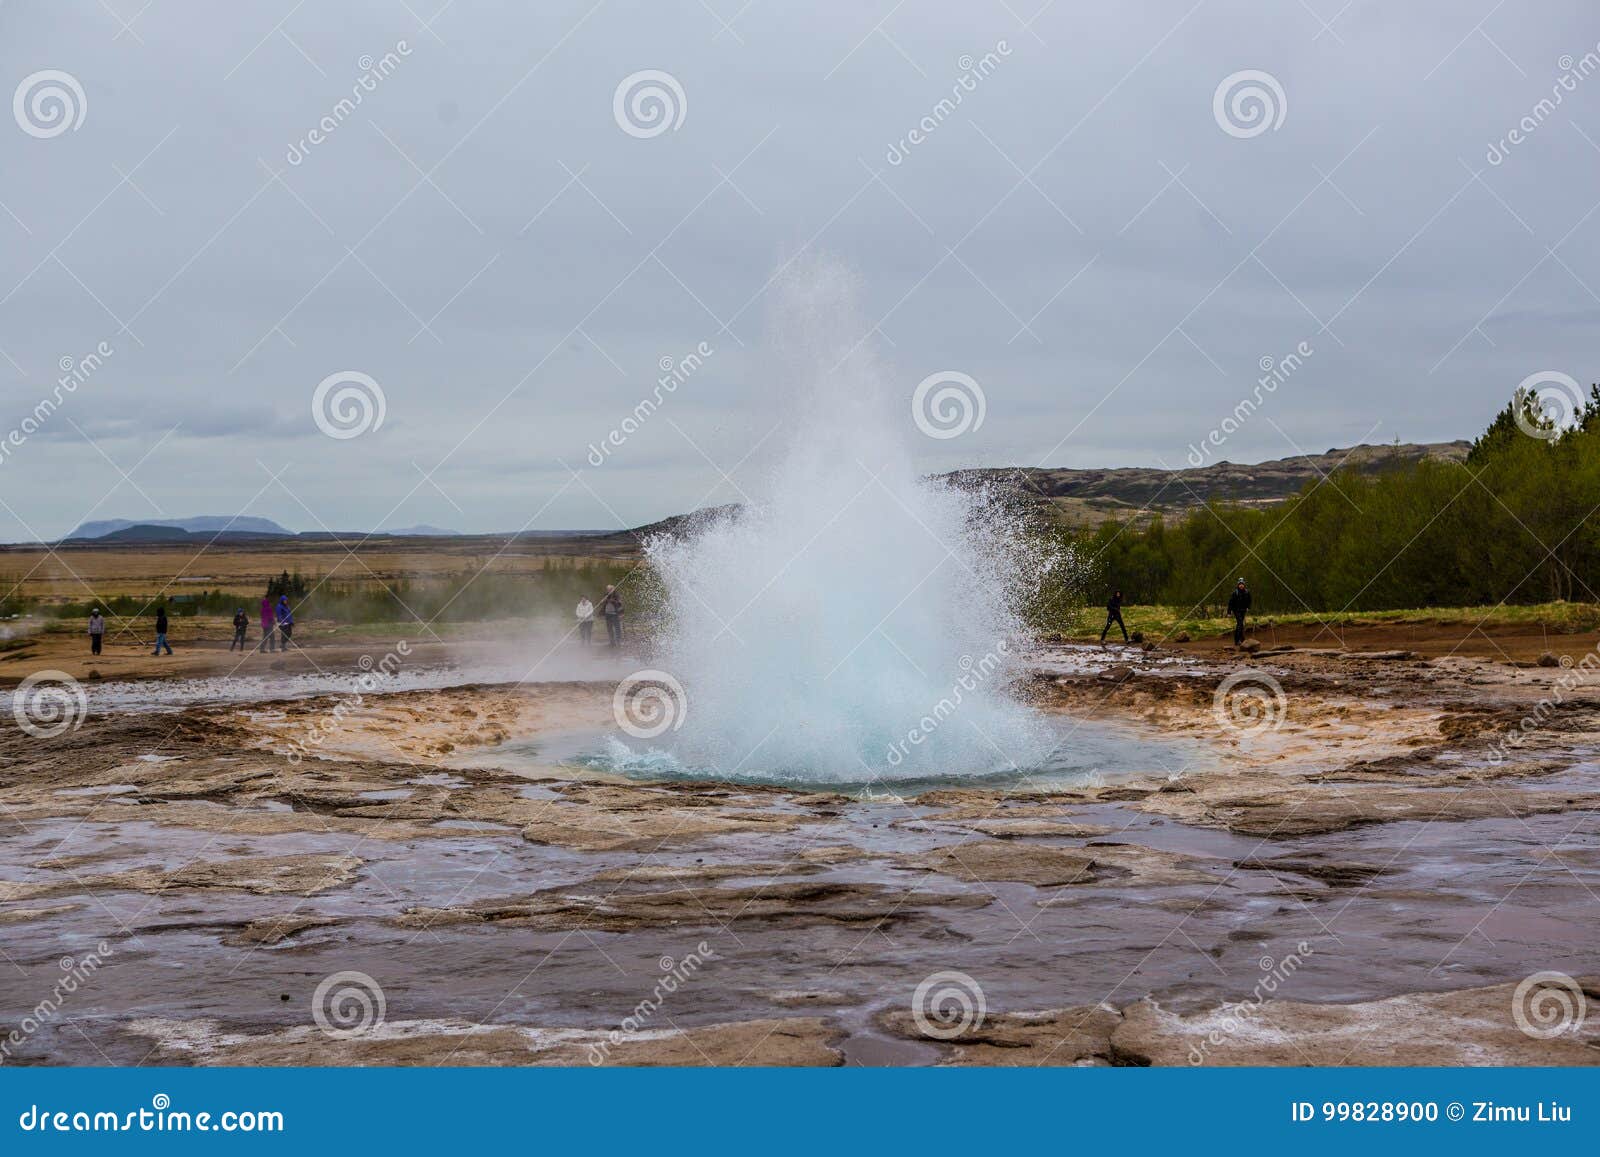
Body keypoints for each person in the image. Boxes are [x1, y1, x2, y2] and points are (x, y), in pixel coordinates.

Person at [1227, 578, 1252, 646]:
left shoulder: (1247, 592)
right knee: (1240, 623)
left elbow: (1249, 600)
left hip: (1243, 610)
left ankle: (1241, 639)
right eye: (1240, 584)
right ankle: (1238, 640)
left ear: (1244, 585)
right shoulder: (1235, 593)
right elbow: (1230, 603)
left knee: (1240, 625)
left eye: (1242, 584)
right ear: (1238, 585)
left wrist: (1248, 607)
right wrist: (1229, 612)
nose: (1241, 585)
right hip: (1236, 610)